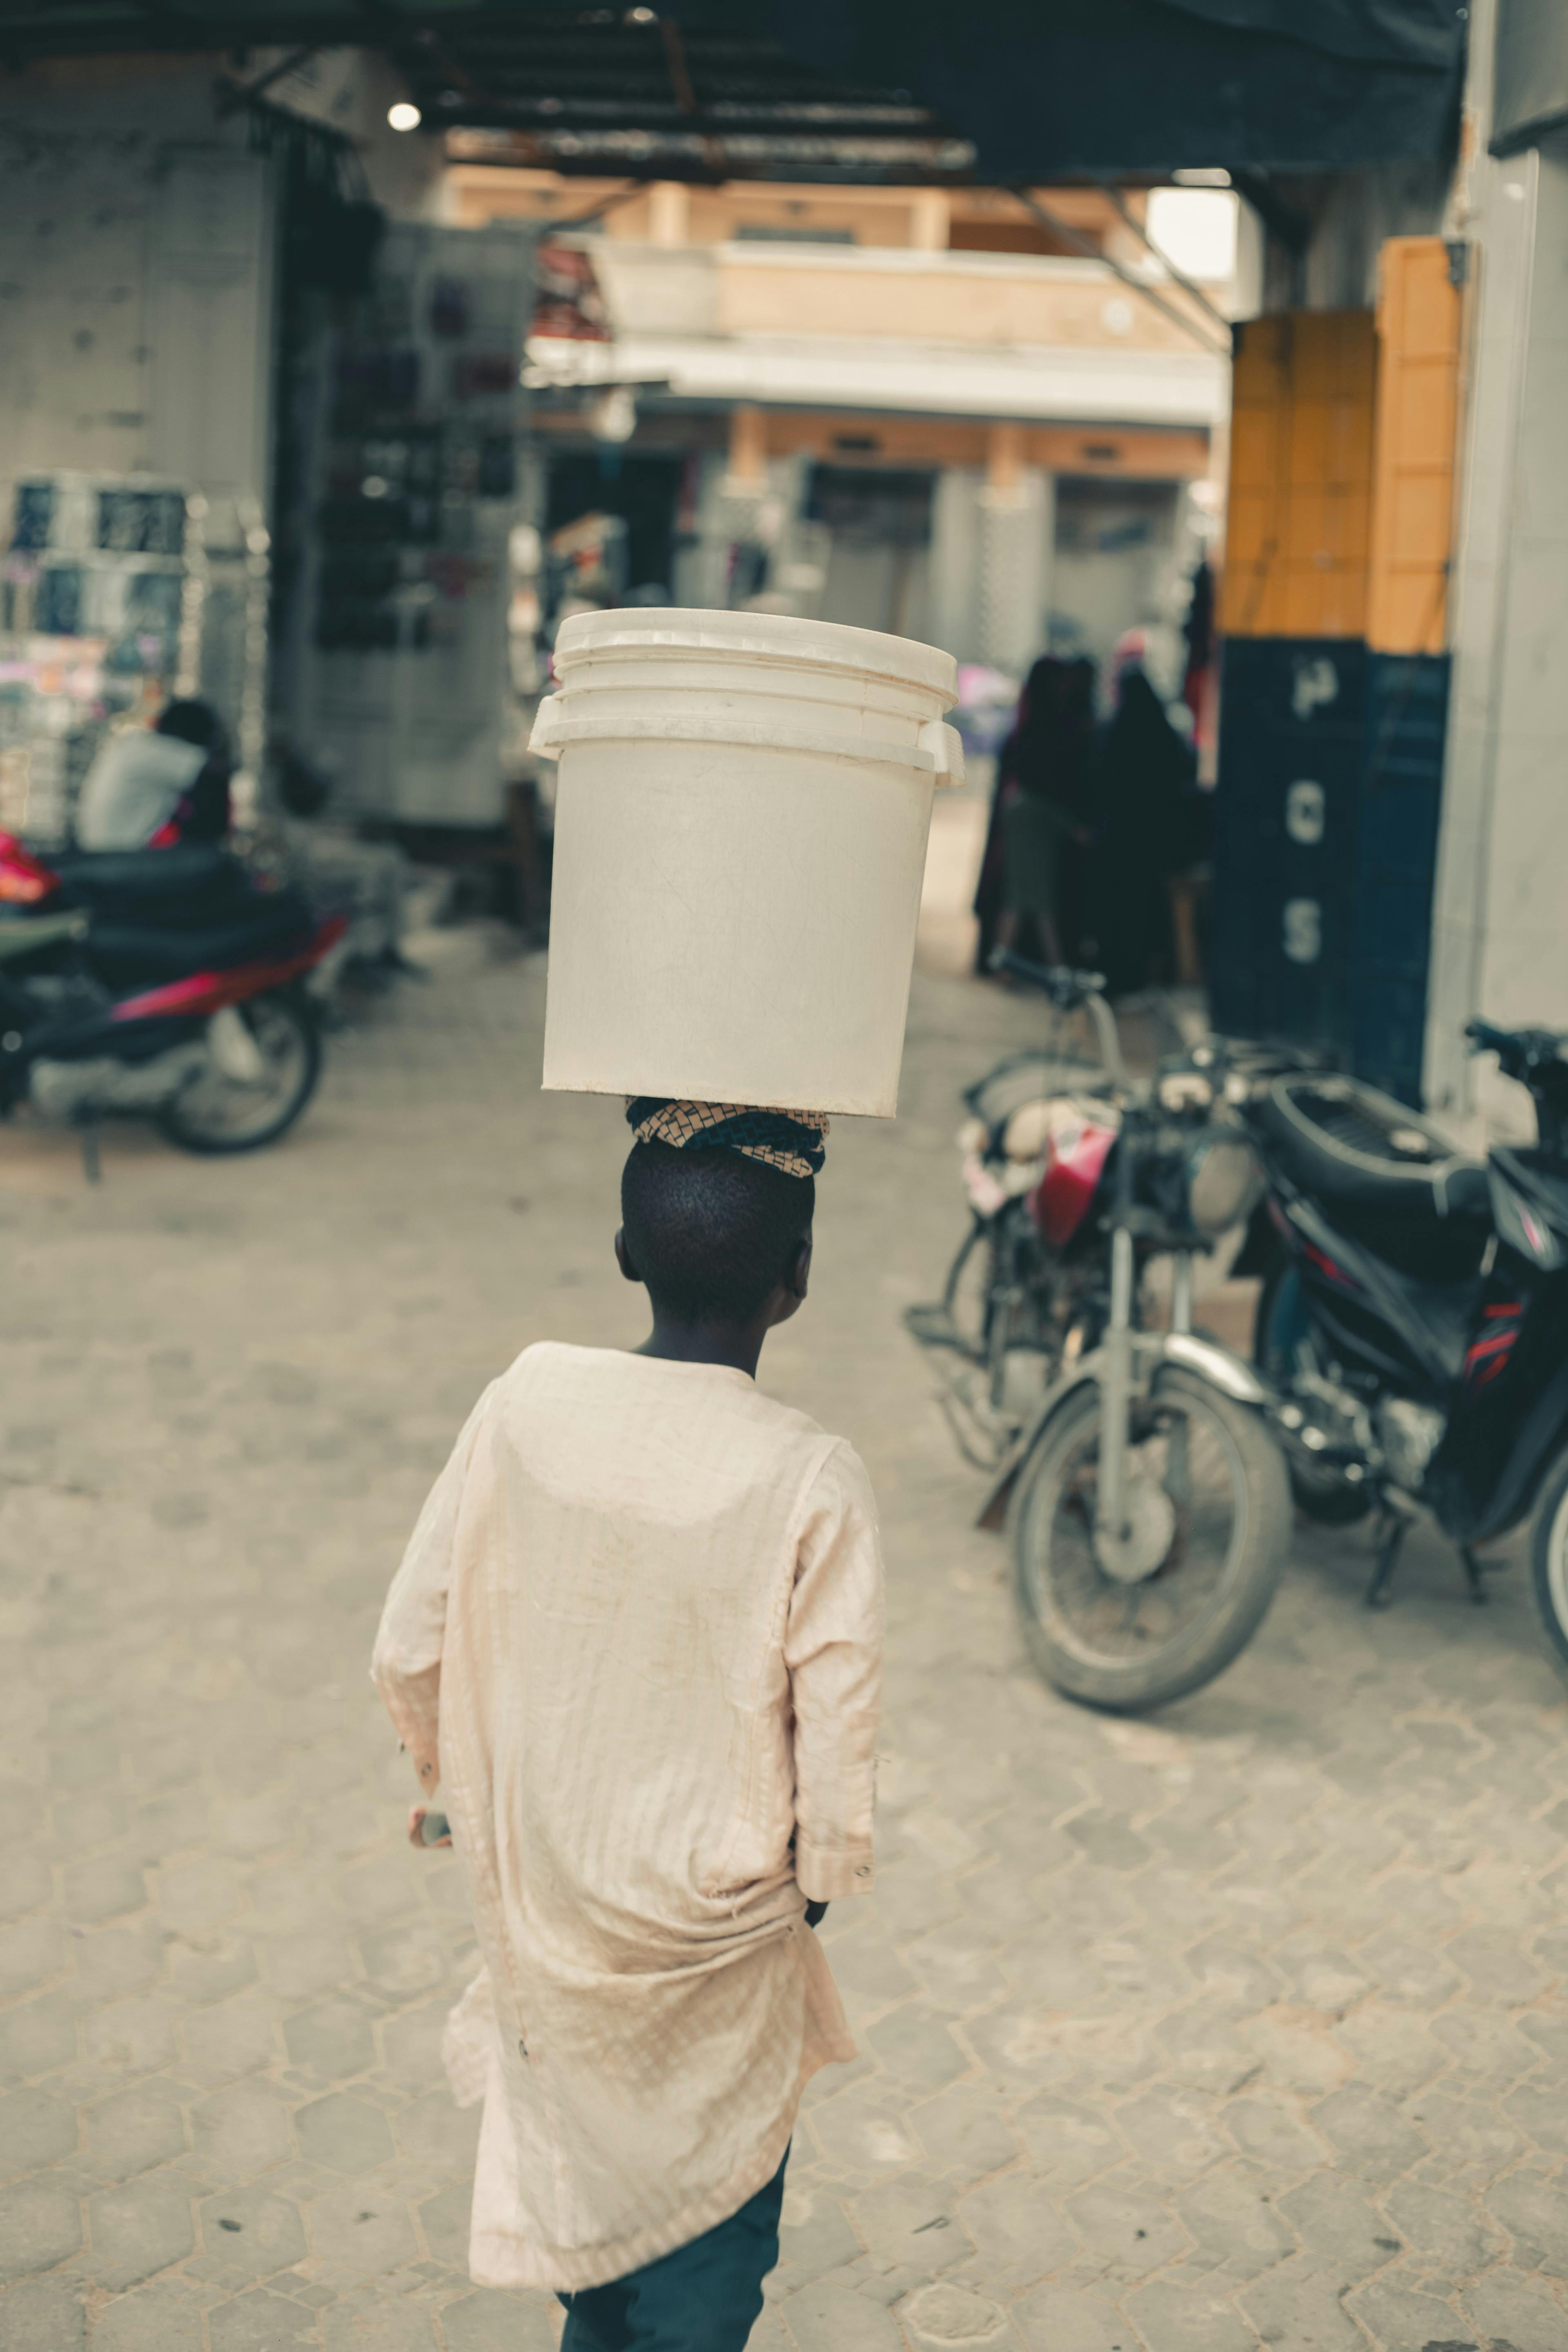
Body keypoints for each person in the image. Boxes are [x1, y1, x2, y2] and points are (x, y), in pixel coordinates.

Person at [371, 1098, 884, 2350]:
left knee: (592, 2236)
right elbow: (838, 1723)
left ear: (621, 1251)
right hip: (714, 1955)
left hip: (551, 1915)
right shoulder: (809, 1475)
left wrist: (458, 1786)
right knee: (705, 2254)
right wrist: (816, 1882)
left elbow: (409, 1643)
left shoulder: (523, 1400)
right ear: (797, 1280)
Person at [1085, 666, 1199, 995]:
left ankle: (1110, 977)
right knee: (1140, 911)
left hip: (1114, 841)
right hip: (1148, 842)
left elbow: (1095, 782)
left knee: (1113, 911)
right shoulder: (1163, 733)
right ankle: (1139, 977)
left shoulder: (1111, 731)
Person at [977, 655, 1095, 972]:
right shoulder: (1053, 725)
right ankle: (1052, 968)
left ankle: (1004, 964)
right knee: (1035, 900)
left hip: (1023, 819)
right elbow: (1047, 785)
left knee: (1021, 897)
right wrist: (1072, 827)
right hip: (1034, 821)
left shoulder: (1031, 723)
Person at [75, 698, 233, 851]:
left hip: (105, 852)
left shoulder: (135, 745)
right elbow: (217, 769)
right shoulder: (155, 749)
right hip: (121, 856)